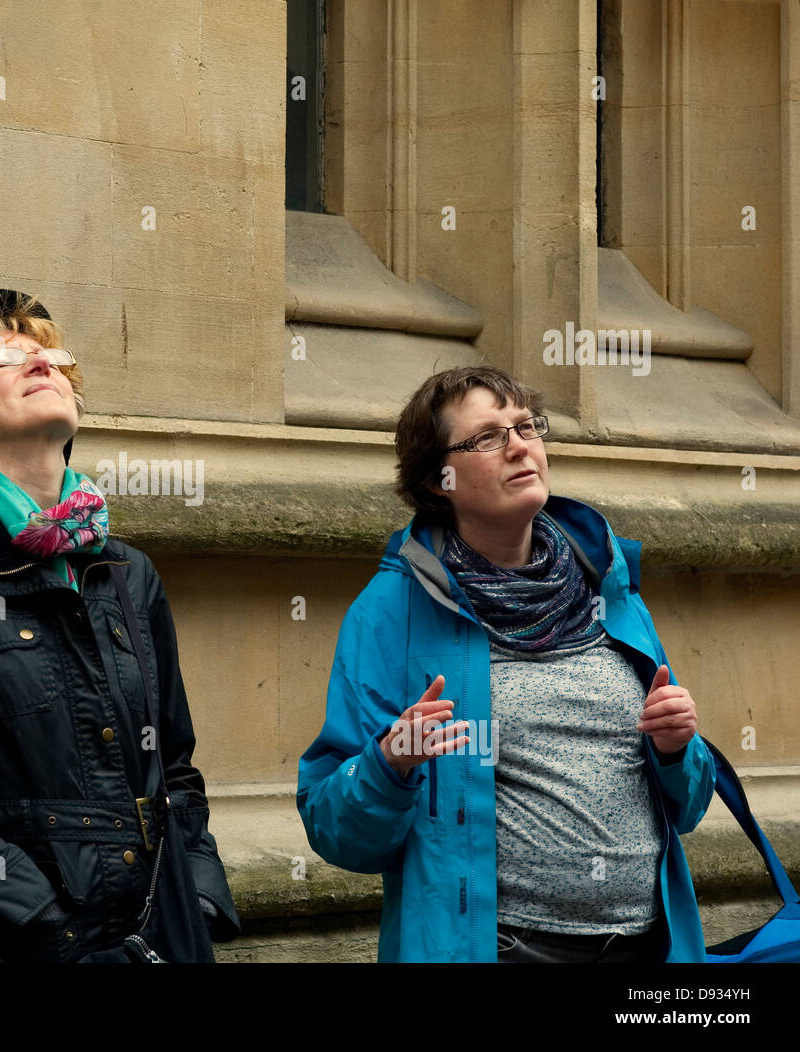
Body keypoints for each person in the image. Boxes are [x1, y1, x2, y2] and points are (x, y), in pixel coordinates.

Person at [0, 289, 239, 962]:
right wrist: (35, 910)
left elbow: (173, 765)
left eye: (53, 356)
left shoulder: (128, 573)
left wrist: (198, 893)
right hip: (17, 944)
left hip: (161, 939)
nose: (41, 364)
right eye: (4, 357)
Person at [297, 365, 715, 963]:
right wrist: (390, 763)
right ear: (439, 477)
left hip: (649, 946)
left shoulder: (610, 587)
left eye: (527, 426)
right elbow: (334, 829)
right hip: (501, 949)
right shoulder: (391, 612)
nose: (521, 446)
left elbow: (688, 808)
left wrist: (677, 750)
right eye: (489, 437)